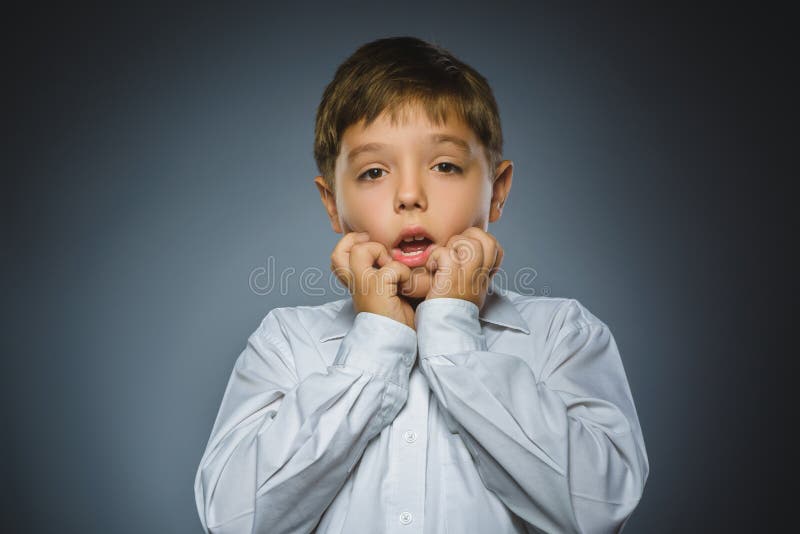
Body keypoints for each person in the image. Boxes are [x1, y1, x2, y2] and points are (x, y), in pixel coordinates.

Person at [194, 35, 649, 533]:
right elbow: (234, 520)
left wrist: (453, 330)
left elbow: (599, 509)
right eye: (373, 172)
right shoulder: (286, 343)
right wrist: (377, 341)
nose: (410, 195)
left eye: (445, 166)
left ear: (497, 192)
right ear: (332, 204)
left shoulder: (562, 334)